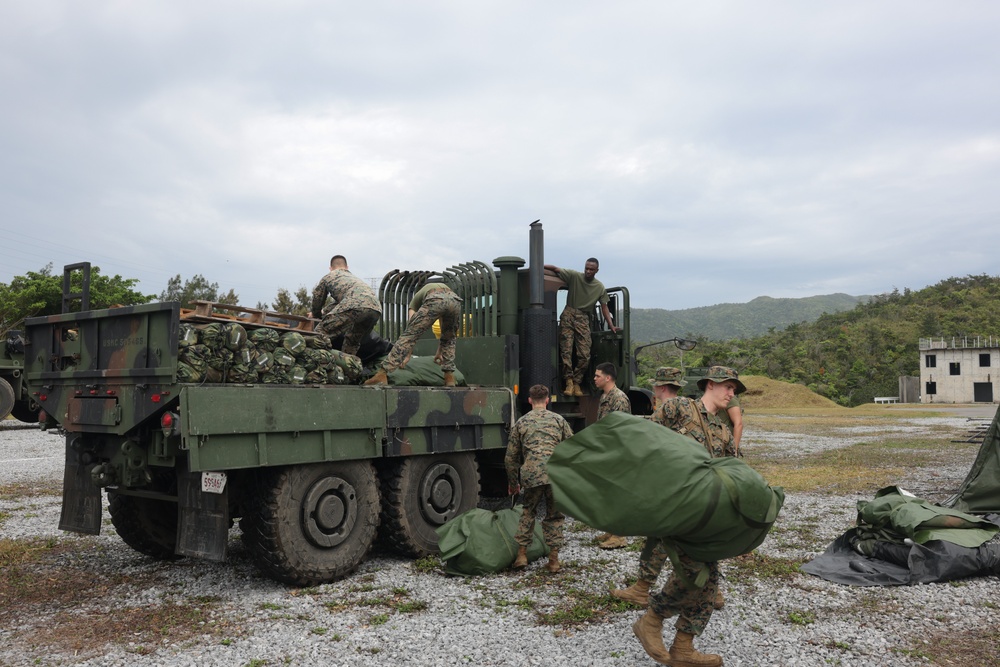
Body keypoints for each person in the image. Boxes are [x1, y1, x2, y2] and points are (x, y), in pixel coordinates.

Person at [630, 366, 745, 667]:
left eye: (734, 389)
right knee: (695, 572)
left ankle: (683, 647)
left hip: (705, 515)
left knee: (709, 580)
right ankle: (652, 620)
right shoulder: (679, 408)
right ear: (710, 384)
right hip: (675, 507)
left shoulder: (722, 432)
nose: (732, 394)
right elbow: (644, 439)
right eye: (728, 387)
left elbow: (734, 474)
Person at [612, 367, 687, 604]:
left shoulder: (665, 409)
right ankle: (712, 589)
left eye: (655, 385)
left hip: (670, 483)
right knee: (694, 536)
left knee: (659, 537)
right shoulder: (693, 407)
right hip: (690, 481)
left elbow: (646, 440)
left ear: (661, 387)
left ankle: (641, 589)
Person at [505, 384, 575, 574]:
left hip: (531, 474)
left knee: (528, 511)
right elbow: (572, 448)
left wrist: (513, 484)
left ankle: (521, 555)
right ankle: (553, 561)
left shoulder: (521, 422)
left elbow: (511, 458)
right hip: (555, 474)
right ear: (547, 400)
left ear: (529, 401)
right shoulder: (559, 420)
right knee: (554, 515)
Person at [365, 277, 461, 387]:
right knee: (450, 340)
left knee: (408, 336)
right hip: (455, 301)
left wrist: (407, 354)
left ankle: (382, 374)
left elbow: (412, 331)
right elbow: (445, 334)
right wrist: (440, 352)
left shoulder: (418, 296)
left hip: (435, 299)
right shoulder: (445, 289)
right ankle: (449, 377)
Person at [544, 258, 619, 397]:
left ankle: (577, 381)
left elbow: (604, 308)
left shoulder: (599, 287)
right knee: (566, 350)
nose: (588, 271)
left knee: (585, 355)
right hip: (569, 314)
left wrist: (611, 326)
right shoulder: (575, 276)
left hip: (584, 318)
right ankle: (569, 382)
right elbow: (555, 268)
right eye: (586, 268)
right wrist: (538, 267)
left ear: (597, 270)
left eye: (591, 269)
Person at [309, 256, 381, 357]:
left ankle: (319, 364)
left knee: (319, 334)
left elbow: (318, 298)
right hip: (375, 309)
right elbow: (343, 303)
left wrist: (315, 314)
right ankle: (347, 369)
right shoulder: (353, 279)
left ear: (330, 268)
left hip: (354, 305)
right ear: (347, 267)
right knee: (352, 342)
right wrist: (323, 312)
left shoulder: (329, 276)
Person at [592, 362, 632, 550]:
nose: (594, 378)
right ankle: (611, 529)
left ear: (608, 378)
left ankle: (620, 535)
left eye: (597, 375)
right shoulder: (605, 397)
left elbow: (622, 430)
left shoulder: (619, 398)